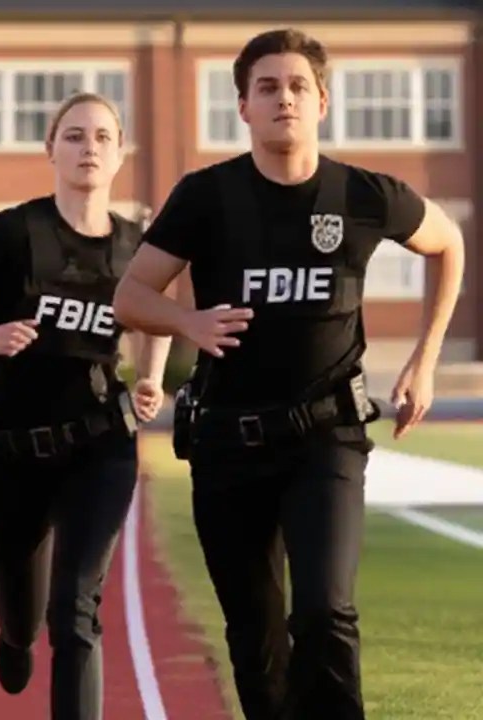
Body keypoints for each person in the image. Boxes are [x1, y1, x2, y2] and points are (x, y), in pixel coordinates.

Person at [112, 28, 465, 720]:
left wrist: (424, 359)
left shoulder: (364, 195)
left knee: (326, 614)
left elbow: (448, 242)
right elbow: (131, 296)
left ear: (323, 101)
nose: (284, 99)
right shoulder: (206, 198)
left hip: (327, 439)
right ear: (242, 106)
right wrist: (187, 323)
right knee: (256, 640)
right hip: (227, 446)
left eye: (298, 86)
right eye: (267, 87)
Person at [0, 92, 172, 720]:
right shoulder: (11, 231)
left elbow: (156, 314)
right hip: (12, 449)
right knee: (25, 611)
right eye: (74, 136)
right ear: (50, 149)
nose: (89, 149)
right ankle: (12, 632)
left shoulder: (139, 246)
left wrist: (151, 376)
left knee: (76, 607)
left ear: (120, 154)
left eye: (103, 138)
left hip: (100, 444)